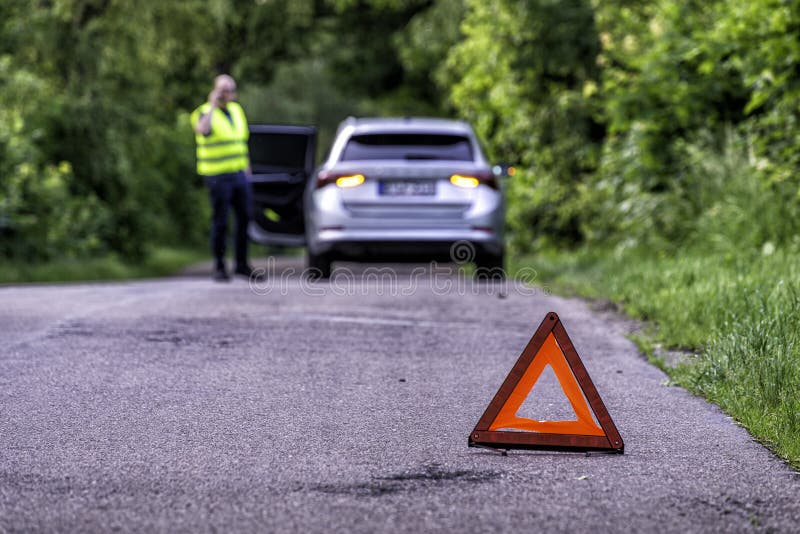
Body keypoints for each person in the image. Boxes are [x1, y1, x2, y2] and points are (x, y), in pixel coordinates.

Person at [191, 74, 255, 281]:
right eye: (221, 90)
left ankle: (242, 264)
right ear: (214, 90)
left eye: (229, 90)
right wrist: (211, 105)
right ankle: (219, 266)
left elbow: (241, 142)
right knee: (221, 221)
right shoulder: (202, 112)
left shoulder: (237, 110)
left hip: (238, 174)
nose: (225, 93)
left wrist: (247, 168)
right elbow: (203, 130)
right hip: (217, 176)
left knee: (245, 217)